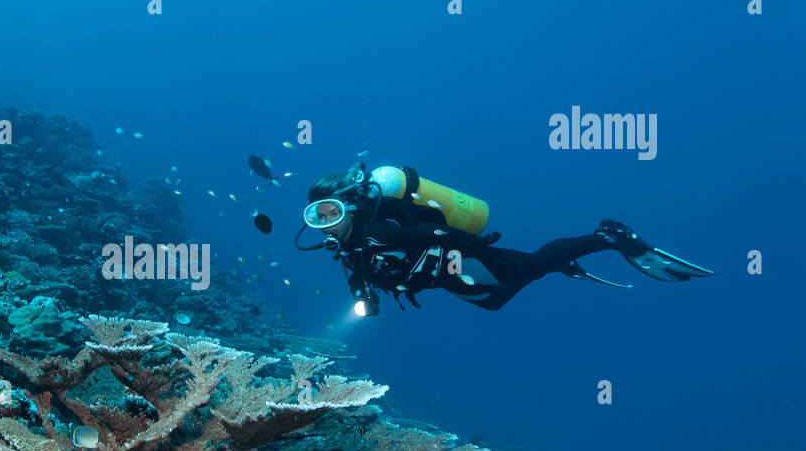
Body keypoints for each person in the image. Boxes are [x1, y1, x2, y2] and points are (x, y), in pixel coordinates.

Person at [297, 164, 712, 314]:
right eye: (317, 217)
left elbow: (434, 231)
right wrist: (363, 297)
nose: (325, 223)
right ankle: (558, 264)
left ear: (349, 206)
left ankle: (608, 236)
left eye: (330, 212)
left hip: (458, 258)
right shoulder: (347, 245)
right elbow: (357, 270)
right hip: (442, 277)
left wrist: (477, 245)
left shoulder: (380, 230)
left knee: (531, 265)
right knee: (495, 303)